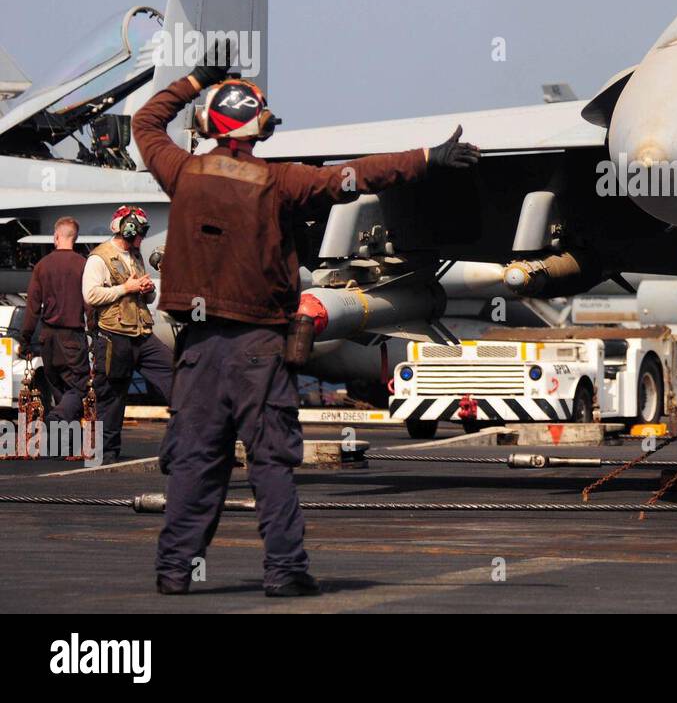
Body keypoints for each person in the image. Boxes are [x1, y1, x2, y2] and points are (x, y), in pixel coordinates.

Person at [134, 54, 480, 597]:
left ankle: (175, 571)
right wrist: (427, 158)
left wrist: (195, 78)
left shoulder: (180, 172)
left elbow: (146, 121)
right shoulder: (280, 183)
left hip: (198, 351)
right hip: (259, 350)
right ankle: (285, 572)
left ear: (205, 126)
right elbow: (356, 176)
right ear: (260, 128)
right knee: (271, 464)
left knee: (196, 463)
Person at [83, 205, 173, 463]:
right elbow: (90, 295)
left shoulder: (135, 255)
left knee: (174, 377)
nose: (143, 237)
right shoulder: (99, 258)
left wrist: (145, 290)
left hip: (142, 334)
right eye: (140, 232)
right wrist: (126, 287)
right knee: (112, 395)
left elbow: (148, 295)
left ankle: (185, 437)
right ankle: (105, 455)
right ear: (127, 228)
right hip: (113, 336)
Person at [17, 217, 90, 425]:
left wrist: (25, 340)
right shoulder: (83, 265)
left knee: (58, 391)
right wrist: (95, 333)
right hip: (72, 338)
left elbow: (32, 308)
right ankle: (58, 421)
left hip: (47, 338)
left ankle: (66, 444)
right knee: (77, 387)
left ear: (56, 236)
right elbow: (90, 304)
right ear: (74, 238)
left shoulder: (42, 266)